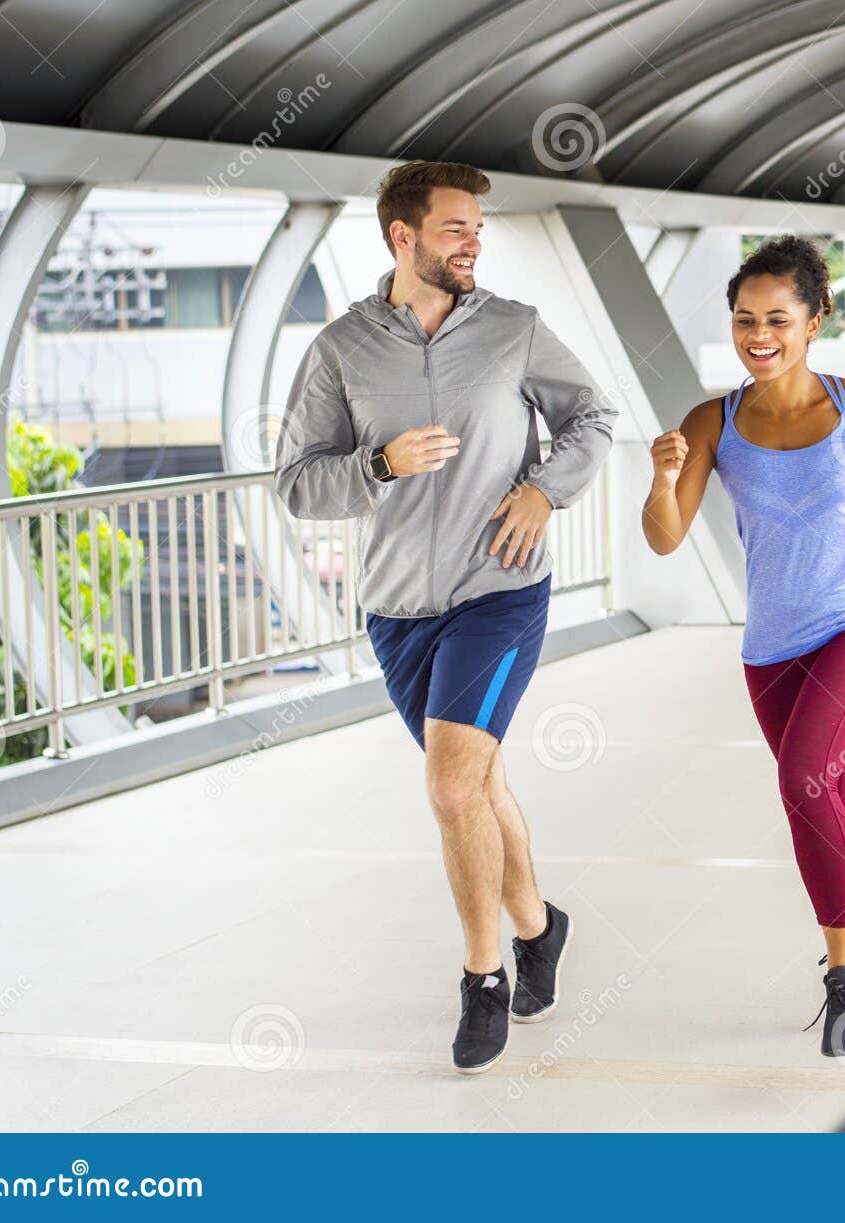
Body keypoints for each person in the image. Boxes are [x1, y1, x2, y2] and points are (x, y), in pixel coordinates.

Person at [274, 161, 617, 1074]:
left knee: (452, 788)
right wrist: (379, 465)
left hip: (500, 591)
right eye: (455, 228)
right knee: (480, 784)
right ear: (404, 236)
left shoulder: (513, 329)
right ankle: (540, 927)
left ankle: (483, 975)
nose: (473, 243)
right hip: (396, 609)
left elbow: (593, 417)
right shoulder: (341, 349)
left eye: (478, 229)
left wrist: (544, 491)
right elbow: (297, 484)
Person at [640, 236, 845, 1056]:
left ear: (815, 321)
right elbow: (664, 537)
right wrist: (662, 478)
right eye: (745, 319)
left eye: (777, 319)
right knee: (817, 789)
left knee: (805, 774)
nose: (759, 335)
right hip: (770, 649)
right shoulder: (714, 422)